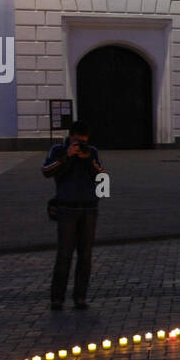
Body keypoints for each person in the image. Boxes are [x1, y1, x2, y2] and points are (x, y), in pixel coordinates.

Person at [43, 121, 104, 310]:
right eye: (76, 139)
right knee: (64, 254)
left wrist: (88, 160)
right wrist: (66, 156)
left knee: (85, 255)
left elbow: (103, 179)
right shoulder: (58, 150)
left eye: (83, 140)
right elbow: (46, 171)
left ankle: (80, 297)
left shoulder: (91, 152)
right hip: (67, 209)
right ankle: (57, 298)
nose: (79, 143)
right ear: (70, 136)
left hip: (88, 209)